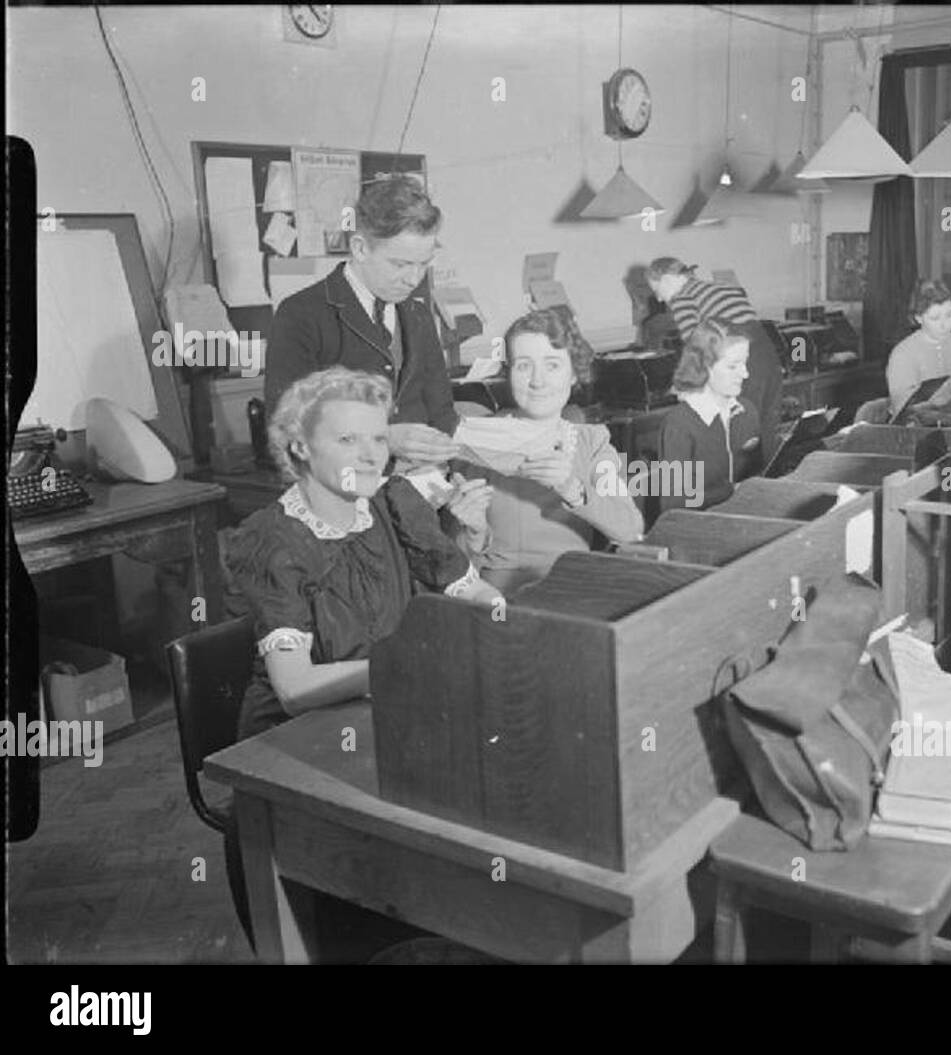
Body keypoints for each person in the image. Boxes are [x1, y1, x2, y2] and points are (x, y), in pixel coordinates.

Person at [221, 367, 501, 949]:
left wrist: (492, 606)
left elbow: (467, 588)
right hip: (295, 738)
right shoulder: (270, 540)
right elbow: (295, 687)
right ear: (300, 446)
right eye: (347, 440)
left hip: (383, 710)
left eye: (378, 438)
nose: (370, 455)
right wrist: (402, 672)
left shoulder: (393, 501)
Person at [263, 175, 460, 467]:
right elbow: (288, 426)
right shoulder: (301, 314)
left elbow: (442, 412)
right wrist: (383, 438)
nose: (414, 279)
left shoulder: (418, 314)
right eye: (401, 264)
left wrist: (451, 468)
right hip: (345, 491)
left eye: (423, 264)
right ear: (360, 248)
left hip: (423, 488)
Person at [460, 309, 644, 596]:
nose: (538, 381)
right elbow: (451, 569)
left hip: (576, 587)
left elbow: (630, 529)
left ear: (574, 374)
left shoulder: (592, 442)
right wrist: (474, 534)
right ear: (509, 375)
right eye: (523, 366)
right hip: (503, 597)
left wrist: (572, 489)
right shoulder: (480, 441)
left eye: (553, 365)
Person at [646, 258, 783, 468]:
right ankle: (772, 487)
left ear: (667, 279)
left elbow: (697, 348)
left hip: (740, 362)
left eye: (656, 289)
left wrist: (680, 387)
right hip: (767, 357)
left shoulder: (682, 298)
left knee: (740, 437)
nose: (658, 297)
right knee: (766, 431)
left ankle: (740, 495)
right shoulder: (720, 288)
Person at [657, 318, 762, 512]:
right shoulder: (679, 424)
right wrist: (731, 492)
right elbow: (674, 506)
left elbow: (758, 477)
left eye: (745, 363)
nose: (745, 374)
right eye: (733, 366)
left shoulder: (747, 411)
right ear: (704, 367)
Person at [886, 279, 951, 416]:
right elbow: (905, 411)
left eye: (950, 315)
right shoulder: (903, 355)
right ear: (918, 318)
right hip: (917, 427)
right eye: (935, 318)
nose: (944, 324)